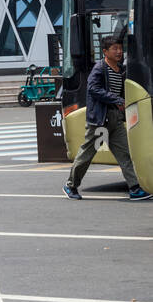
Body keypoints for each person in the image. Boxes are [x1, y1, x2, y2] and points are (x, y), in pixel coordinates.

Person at [64, 35, 151, 200]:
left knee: (124, 154)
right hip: (100, 122)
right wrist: (117, 100)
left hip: (115, 120)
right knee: (87, 154)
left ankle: (134, 188)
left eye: (120, 48)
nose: (119, 52)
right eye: (115, 49)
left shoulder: (120, 69)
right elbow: (93, 89)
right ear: (105, 51)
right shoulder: (100, 68)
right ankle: (71, 186)